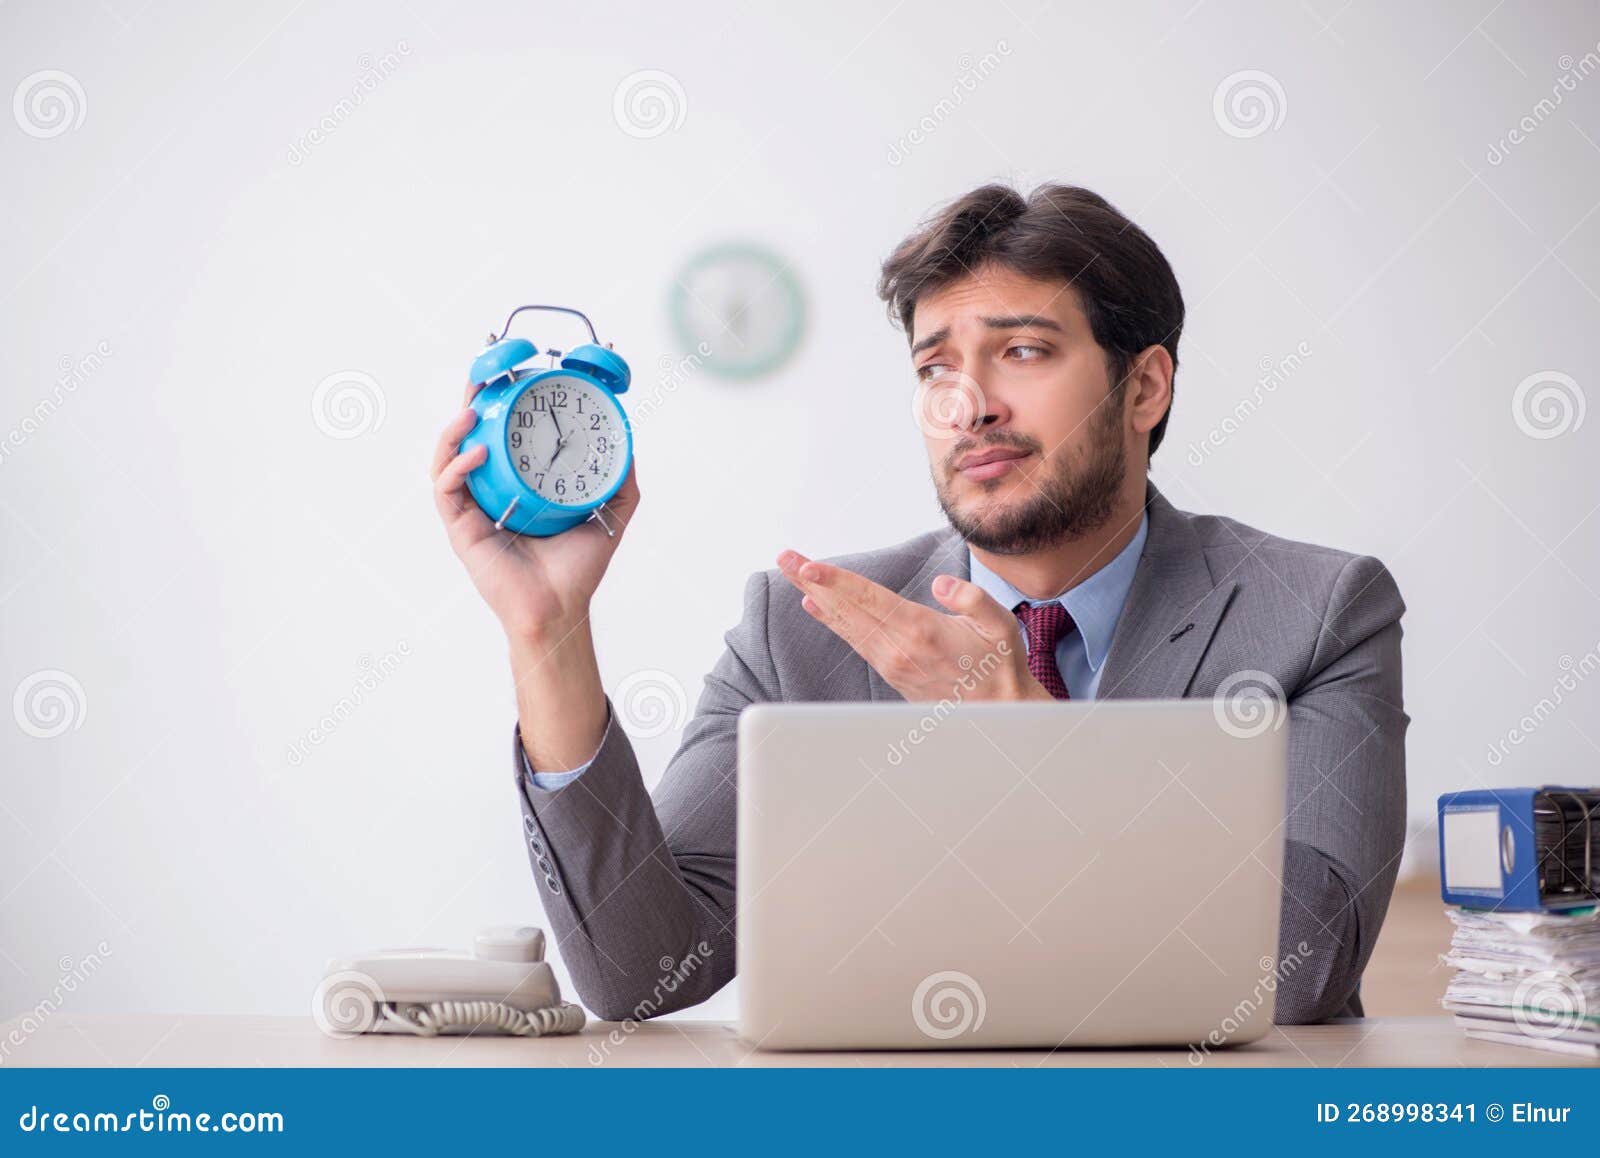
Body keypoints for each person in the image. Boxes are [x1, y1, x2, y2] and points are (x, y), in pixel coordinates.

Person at [430, 183, 1407, 1025]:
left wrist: (1023, 737)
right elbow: (641, 969)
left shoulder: (1317, 613)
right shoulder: (798, 633)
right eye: (935, 367)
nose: (966, 405)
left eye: (1021, 352)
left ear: (1144, 385)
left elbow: (1306, 969)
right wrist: (548, 631)